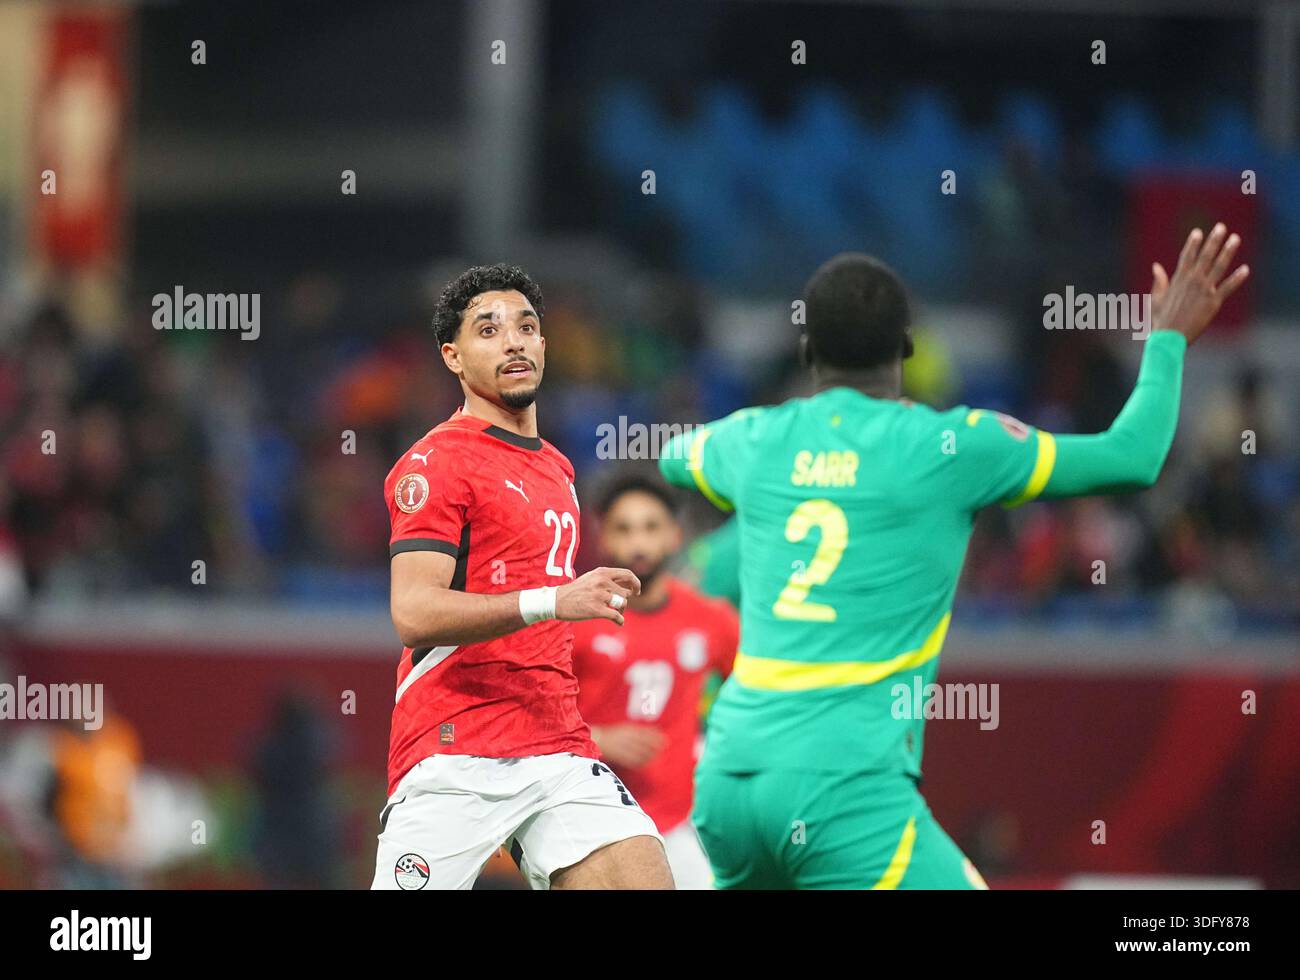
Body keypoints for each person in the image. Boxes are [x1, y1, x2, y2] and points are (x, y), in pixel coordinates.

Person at [660, 226, 1249, 889]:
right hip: (842, 790)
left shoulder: (752, 439)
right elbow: (1131, 457)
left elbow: (673, 459)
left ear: (806, 348)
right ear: (909, 347)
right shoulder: (955, 447)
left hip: (729, 785)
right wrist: (1167, 341)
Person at [372, 263, 672, 890]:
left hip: (556, 742)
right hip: (455, 746)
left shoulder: (559, 468)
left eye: (526, 327)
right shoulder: (435, 463)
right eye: (488, 329)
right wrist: (553, 600)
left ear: (542, 345)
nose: (513, 340)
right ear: (453, 357)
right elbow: (414, 612)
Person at [572, 474, 738, 888]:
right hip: (584, 817)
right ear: (603, 539)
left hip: (674, 824)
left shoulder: (710, 619)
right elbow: (526, 715)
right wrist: (597, 738)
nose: (639, 544)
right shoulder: (575, 620)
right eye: (624, 529)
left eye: (651, 527)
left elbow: (758, 694)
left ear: (674, 536)